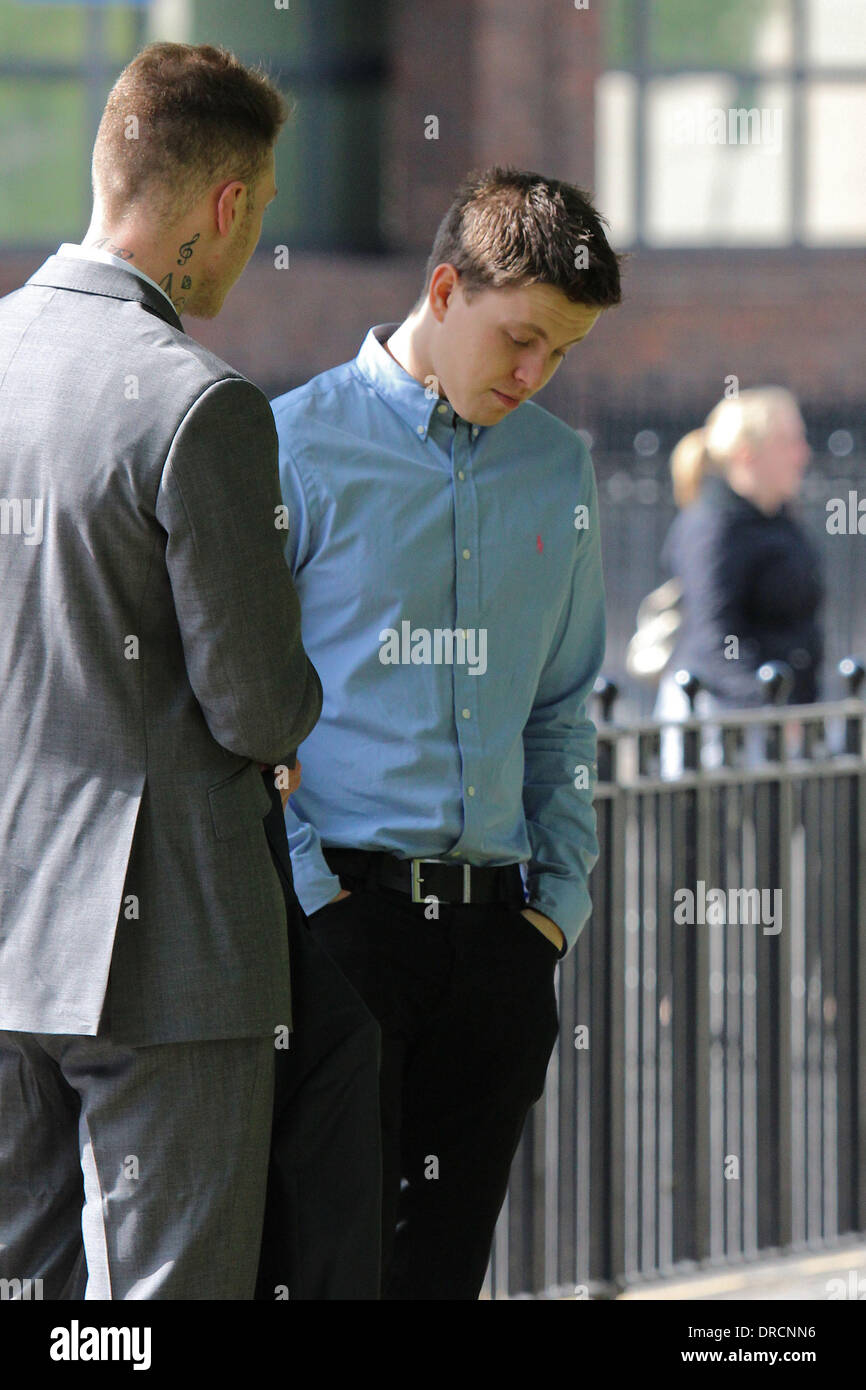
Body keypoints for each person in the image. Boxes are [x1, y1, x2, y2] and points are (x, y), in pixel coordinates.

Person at [0, 43, 323, 1300]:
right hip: (167, 955)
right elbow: (254, 700)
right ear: (226, 206)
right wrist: (293, 717)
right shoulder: (199, 404)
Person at [271, 167, 623, 1299]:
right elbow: (239, 711)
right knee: (332, 1273)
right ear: (440, 288)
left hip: (497, 947)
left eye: (559, 355)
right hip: (342, 934)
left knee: (443, 1282)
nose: (533, 375)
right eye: (519, 339)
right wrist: (315, 902)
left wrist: (551, 917)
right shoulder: (290, 446)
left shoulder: (557, 468)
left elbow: (564, 708)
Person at [654, 388, 824, 777]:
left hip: (781, 718)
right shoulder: (712, 525)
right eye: (789, 442)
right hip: (720, 717)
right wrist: (766, 703)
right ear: (747, 453)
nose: (804, 454)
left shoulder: (780, 520)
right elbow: (716, 635)